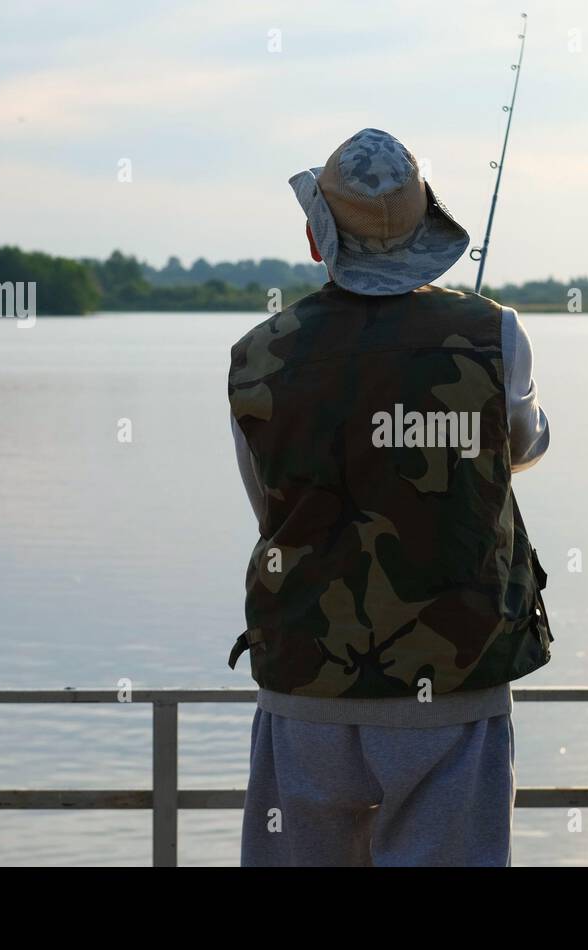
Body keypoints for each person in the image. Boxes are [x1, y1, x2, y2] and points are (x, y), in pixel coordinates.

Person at [227, 128, 552, 866]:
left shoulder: (255, 355)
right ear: (426, 231)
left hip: (307, 683)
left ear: (318, 240)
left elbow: (272, 511)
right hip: (456, 681)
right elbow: (523, 446)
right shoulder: (495, 332)